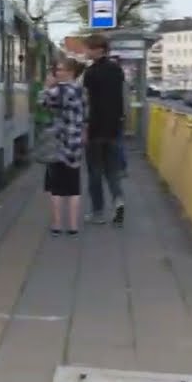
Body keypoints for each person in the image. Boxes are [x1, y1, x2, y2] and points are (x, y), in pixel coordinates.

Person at [81, 33, 126, 227]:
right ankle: (119, 206)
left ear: (98, 49)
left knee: (95, 173)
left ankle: (98, 213)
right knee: (113, 172)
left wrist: (84, 127)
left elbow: (86, 103)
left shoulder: (90, 73)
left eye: (89, 48)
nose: (86, 52)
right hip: (114, 129)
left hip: (95, 130)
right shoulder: (117, 70)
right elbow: (122, 99)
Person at [40, 57, 86, 236]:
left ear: (71, 72)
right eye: (56, 70)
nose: (57, 73)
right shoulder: (82, 91)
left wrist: (46, 86)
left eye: (60, 70)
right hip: (75, 145)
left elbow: (41, 103)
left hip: (57, 145)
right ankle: (73, 227)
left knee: (56, 188)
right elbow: (86, 116)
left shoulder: (56, 91)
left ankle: (57, 225)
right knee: (74, 188)